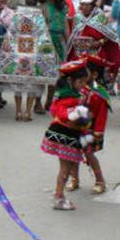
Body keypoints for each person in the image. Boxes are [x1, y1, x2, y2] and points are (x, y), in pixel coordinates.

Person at [0, 0, 59, 121]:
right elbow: (44, 38)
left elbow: (10, 36)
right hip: (33, 56)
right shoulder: (38, 18)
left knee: (18, 87)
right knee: (32, 86)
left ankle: (18, 112)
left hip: (18, 56)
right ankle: (27, 113)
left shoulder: (18, 16)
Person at [40, 60, 93, 211]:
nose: (83, 85)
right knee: (65, 169)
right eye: (81, 81)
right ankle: (58, 197)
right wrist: (76, 113)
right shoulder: (67, 96)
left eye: (85, 82)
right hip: (66, 136)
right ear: (71, 80)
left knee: (66, 168)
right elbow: (60, 112)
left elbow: (53, 110)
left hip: (66, 133)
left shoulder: (65, 92)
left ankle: (59, 195)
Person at [66, 55, 109, 194]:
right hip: (74, 127)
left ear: (95, 74)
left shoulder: (99, 94)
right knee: (72, 154)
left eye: (86, 70)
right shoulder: (79, 88)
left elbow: (102, 115)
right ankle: (75, 179)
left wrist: (98, 131)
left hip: (90, 130)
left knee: (89, 155)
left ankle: (100, 181)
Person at [66, 0, 120, 79]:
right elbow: (74, 34)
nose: (85, 7)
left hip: (96, 53)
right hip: (79, 54)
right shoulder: (77, 17)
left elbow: (109, 34)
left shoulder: (100, 16)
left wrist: (99, 42)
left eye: (87, 5)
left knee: (95, 76)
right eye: (83, 4)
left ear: (92, 5)